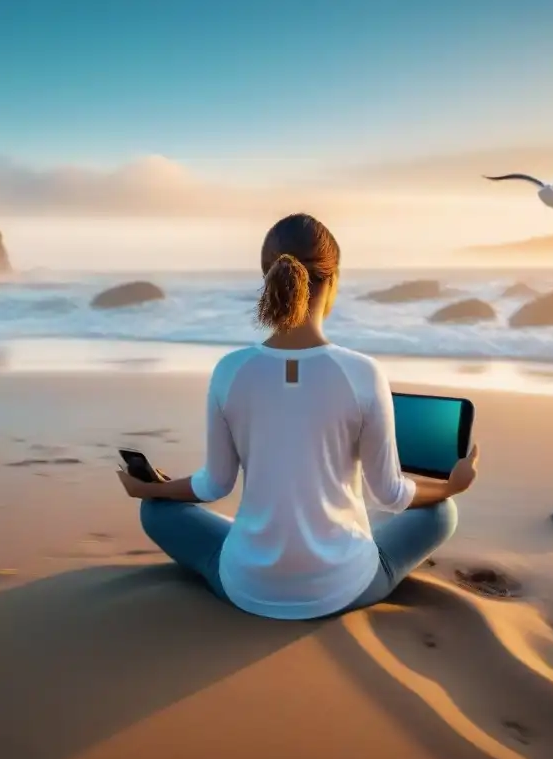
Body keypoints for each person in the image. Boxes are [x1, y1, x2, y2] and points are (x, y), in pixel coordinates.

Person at [116, 213, 479, 620]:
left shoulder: (230, 370)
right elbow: (390, 495)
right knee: (442, 511)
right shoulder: (363, 372)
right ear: (334, 280)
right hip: (345, 587)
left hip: (246, 585)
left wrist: (153, 490)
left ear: (267, 277)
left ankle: (255, 537)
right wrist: (454, 485)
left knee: (156, 511)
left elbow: (213, 485)